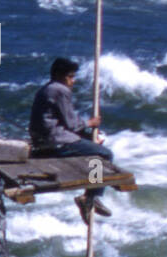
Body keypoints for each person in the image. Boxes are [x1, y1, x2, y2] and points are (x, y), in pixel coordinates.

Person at [29, 57, 113, 224]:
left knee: (91, 145)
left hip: (43, 138)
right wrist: (91, 123)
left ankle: (91, 194)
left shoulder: (46, 89)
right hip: (55, 142)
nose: (73, 81)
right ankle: (91, 197)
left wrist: (87, 134)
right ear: (60, 75)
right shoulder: (60, 90)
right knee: (104, 154)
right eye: (70, 77)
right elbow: (72, 124)